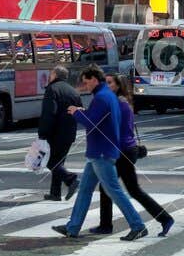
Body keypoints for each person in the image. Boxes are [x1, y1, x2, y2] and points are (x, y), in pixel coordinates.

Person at [54, 66, 147, 241]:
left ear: (94, 80)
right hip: (100, 151)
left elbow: (92, 122)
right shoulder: (107, 95)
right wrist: (83, 112)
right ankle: (72, 227)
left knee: (114, 190)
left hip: (101, 152)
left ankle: (138, 225)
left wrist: (76, 113)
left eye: (86, 81)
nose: (85, 85)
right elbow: (99, 118)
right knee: (85, 190)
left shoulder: (102, 97)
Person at [95, 73, 174, 237]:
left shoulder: (119, 104)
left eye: (109, 83)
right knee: (116, 188)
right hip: (125, 150)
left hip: (122, 151)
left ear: (118, 86)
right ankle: (106, 225)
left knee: (127, 189)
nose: (105, 86)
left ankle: (162, 219)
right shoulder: (121, 102)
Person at [37, 65, 82, 200]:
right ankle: (55, 193)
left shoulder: (52, 89)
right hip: (70, 132)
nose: (49, 76)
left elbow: (49, 113)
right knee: (59, 162)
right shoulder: (73, 91)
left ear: (55, 75)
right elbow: (79, 111)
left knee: (49, 161)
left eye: (51, 74)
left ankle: (70, 179)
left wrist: (43, 133)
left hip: (55, 132)